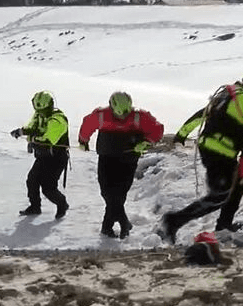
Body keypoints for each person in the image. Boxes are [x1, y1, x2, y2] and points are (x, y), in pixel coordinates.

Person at [161, 71, 243, 244]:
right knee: (219, 196)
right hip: (221, 152)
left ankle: (224, 224)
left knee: (237, 186)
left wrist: (182, 134)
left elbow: (201, 115)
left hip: (214, 150)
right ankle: (173, 221)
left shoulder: (226, 96)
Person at [78, 91, 164, 239]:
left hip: (128, 160)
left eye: (125, 113)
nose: (122, 118)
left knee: (119, 194)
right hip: (107, 158)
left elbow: (157, 130)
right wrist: (83, 141)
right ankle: (123, 222)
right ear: (111, 107)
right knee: (107, 193)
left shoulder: (139, 116)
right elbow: (87, 125)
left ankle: (109, 227)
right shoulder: (101, 115)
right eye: (118, 114)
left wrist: (146, 142)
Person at [10, 90, 71, 218]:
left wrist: (31, 140)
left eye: (42, 110)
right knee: (32, 180)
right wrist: (21, 131)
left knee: (48, 188)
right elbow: (33, 127)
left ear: (49, 106)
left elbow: (48, 140)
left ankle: (62, 204)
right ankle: (35, 207)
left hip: (56, 158)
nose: (39, 112)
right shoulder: (39, 114)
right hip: (43, 156)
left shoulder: (58, 120)